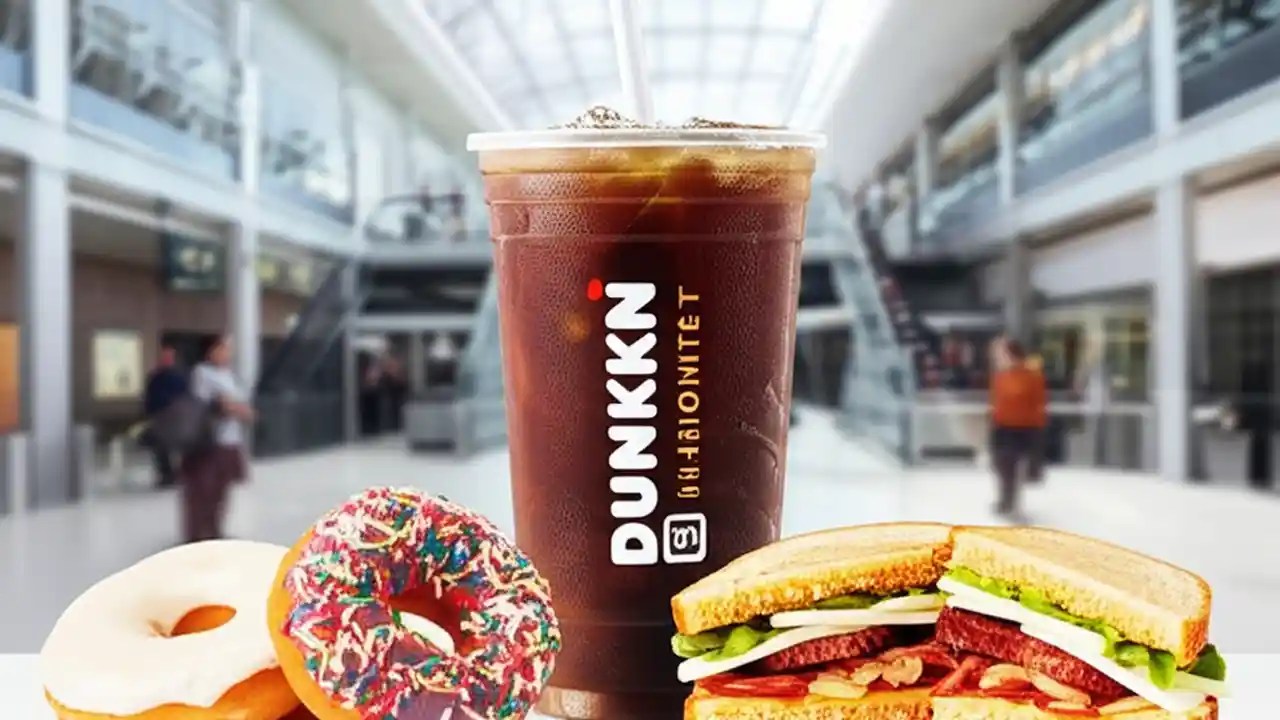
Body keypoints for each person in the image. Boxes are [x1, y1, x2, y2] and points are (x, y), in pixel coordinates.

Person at [181, 334, 254, 542]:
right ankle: (196, 535)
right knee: (202, 491)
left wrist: (238, 408)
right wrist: (237, 409)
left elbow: (237, 405)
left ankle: (214, 530)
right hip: (209, 442)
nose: (227, 353)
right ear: (210, 351)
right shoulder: (202, 373)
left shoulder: (228, 374)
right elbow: (220, 404)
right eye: (222, 348)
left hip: (230, 440)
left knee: (221, 491)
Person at [988, 338, 1048, 517]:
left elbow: (1038, 404)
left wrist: (1038, 431)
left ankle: (1012, 503)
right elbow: (996, 402)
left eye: (999, 352)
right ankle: (1005, 500)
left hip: (1024, 428)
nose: (996, 356)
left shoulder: (1031, 376)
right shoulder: (1000, 376)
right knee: (1002, 466)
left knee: (1015, 467)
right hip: (1002, 427)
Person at [143, 344, 188, 488]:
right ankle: (166, 475)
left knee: (176, 448)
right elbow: (149, 397)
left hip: (175, 418)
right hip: (159, 417)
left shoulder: (180, 377)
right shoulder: (155, 377)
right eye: (163, 357)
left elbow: (185, 397)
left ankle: (177, 474)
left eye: (168, 357)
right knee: (160, 449)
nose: (165, 360)